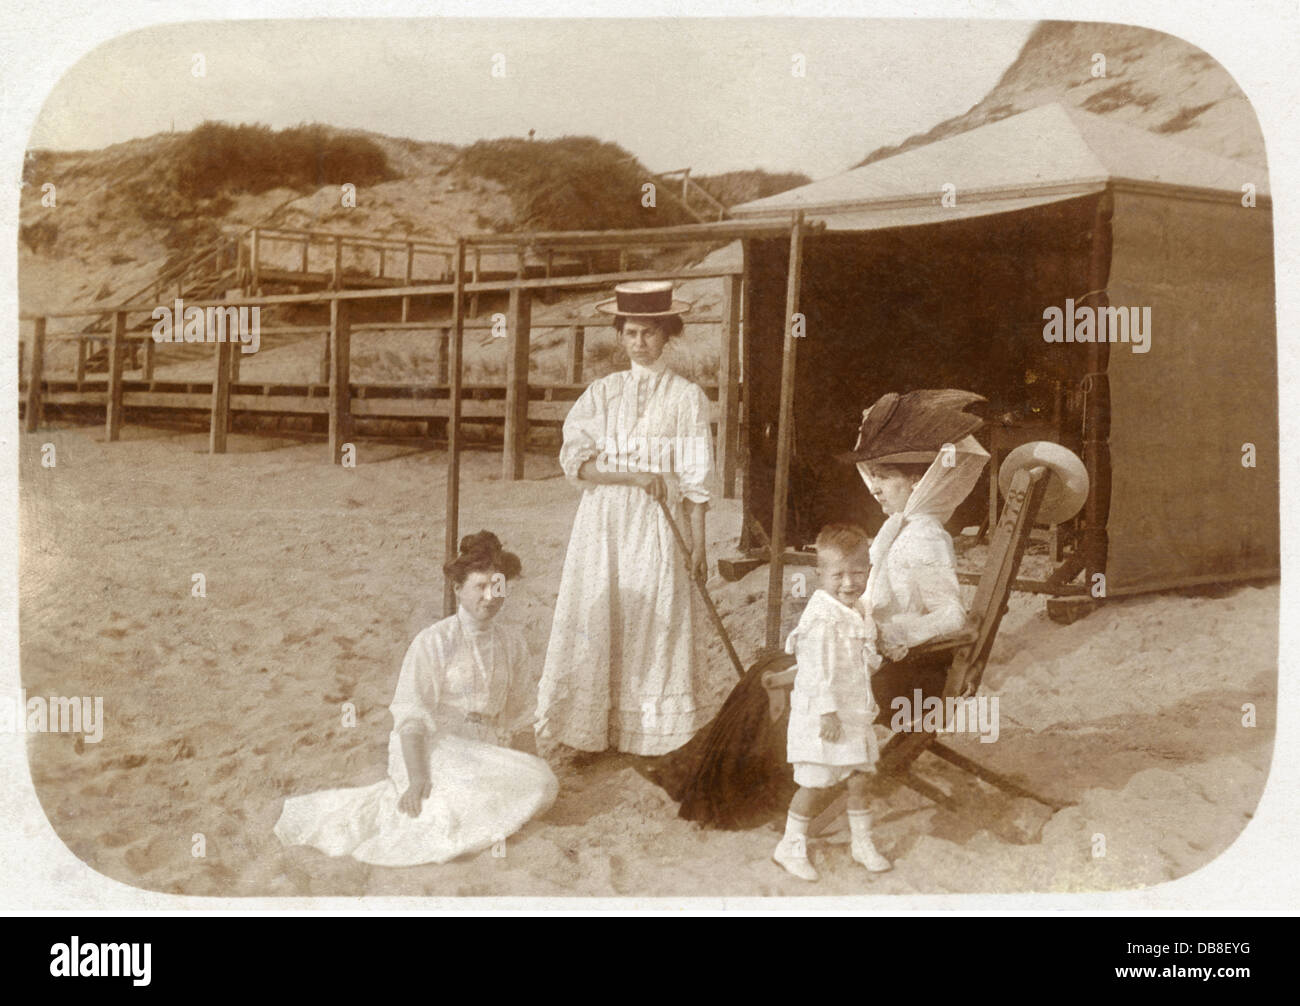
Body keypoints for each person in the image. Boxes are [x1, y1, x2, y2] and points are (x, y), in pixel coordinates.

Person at [656, 390, 989, 832]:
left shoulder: (924, 535)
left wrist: (893, 635)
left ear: (916, 482)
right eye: (872, 476)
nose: (873, 489)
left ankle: (722, 787)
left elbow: (951, 616)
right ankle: (699, 771)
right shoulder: (902, 529)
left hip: (911, 673)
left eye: (884, 478)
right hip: (884, 661)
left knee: (774, 675)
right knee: (771, 670)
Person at [273, 532, 558, 866]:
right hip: (434, 746)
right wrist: (419, 777)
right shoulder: (434, 641)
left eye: (498, 586)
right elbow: (412, 717)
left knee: (543, 783)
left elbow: (522, 716)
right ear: (458, 589)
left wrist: (531, 765)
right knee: (452, 808)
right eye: (480, 586)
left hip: (485, 747)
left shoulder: (512, 644)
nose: (490, 597)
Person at [536, 280, 729, 756]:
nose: (639, 343)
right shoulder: (603, 393)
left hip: (658, 525)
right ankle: (590, 733)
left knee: (654, 616)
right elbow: (577, 463)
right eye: (630, 333)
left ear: (667, 334)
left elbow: (694, 480)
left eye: (649, 333)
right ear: (620, 336)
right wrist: (633, 477)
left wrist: (698, 546)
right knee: (601, 613)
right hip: (604, 522)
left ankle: (650, 734)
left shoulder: (686, 397)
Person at [772, 524, 892, 882]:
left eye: (857, 573)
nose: (848, 583)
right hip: (825, 717)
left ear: (868, 571)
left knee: (858, 779)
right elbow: (814, 669)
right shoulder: (821, 617)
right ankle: (790, 845)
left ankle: (862, 842)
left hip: (853, 712)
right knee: (815, 783)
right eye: (837, 574)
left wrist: (879, 650)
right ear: (819, 574)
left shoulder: (855, 610)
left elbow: (862, 657)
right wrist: (826, 711)